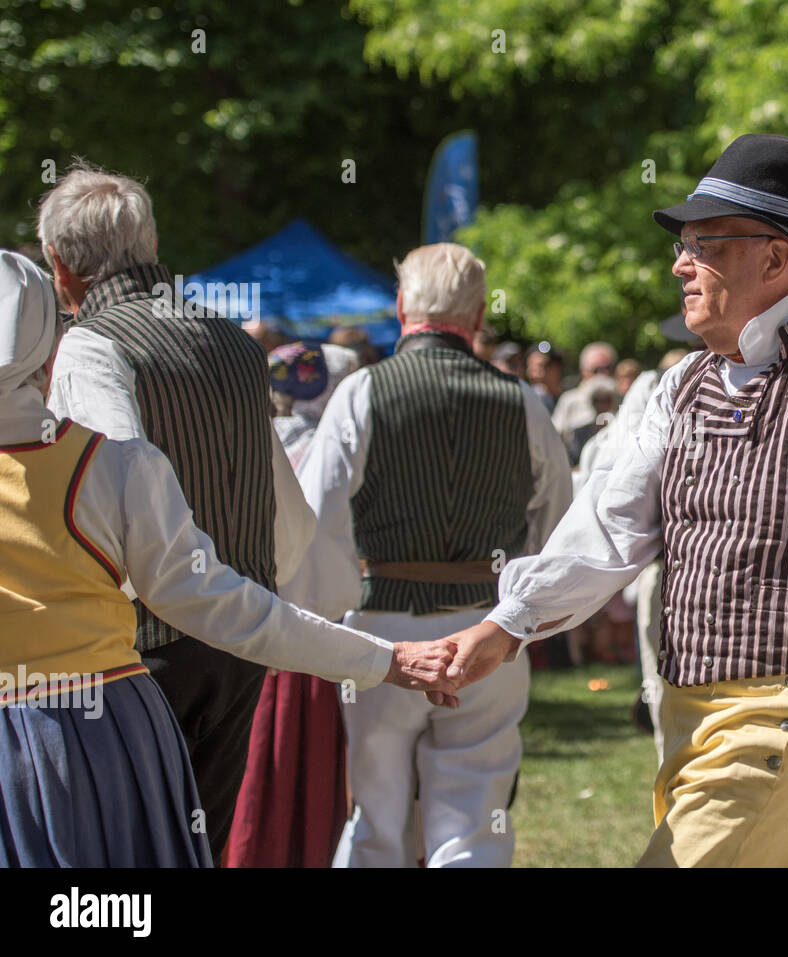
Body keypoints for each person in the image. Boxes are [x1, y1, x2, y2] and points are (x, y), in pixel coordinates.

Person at [419, 133, 788, 867]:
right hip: (689, 713)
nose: (680, 263)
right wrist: (509, 622)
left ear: (774, 258)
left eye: (704, 244)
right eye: (683, 245)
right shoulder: (682, 384)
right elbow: (609, 529)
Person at [0, 250, 454, 867]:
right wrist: (381, 659)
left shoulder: (113, 466)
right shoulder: (114, 468)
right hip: (98, 736)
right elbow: (223, 604)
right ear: (52, 351)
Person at [38, 162, 319, 858]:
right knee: (200, 844)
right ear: (151, 244)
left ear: (61, 266)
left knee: (125, 850)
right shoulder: (236, 343)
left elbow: (113, 491)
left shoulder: (90, 346)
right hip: (239, 637)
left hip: (142, 644)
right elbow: (288, 511)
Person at [287, 242, 572, 868]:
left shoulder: (362, 392)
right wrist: (521, 614)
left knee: (376, 816)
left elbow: (315, 519)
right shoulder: (522, 402)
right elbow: (557, 526)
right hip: (487, 630)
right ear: (477, 316)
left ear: (401, 308)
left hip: (383, 629)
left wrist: (325, 617)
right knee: (473, 819)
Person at [226, 342, 362, 868]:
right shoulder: (329, 450)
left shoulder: (249, 437)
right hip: (316, 630)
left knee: (265, 758)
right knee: (300, 759)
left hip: (253, 623)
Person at [551, 340, 618, 457]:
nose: (603, 374)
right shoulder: (569, 400)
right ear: (583, 371)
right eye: (596, 370)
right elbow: (555, 436)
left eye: (608, 368)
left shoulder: (623, 399)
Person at [525, 344, 564, 414]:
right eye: (530, 368)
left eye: (540, 367)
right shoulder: (526, 400)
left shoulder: (572, 399)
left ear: (555, 368)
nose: (532, 375)